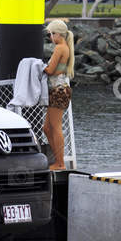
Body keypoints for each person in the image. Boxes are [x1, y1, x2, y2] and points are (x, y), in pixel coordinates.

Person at [43, 19, 75, 171]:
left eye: (51, 34)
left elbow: (51, 70)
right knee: (47, 128)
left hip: (58, 90)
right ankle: (57, 159)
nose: (50, 37)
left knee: (55, 127)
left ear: (58, 34)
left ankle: (60, 163)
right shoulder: (66, 47)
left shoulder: (59, 48)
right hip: (60, 89)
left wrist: (39, 67)